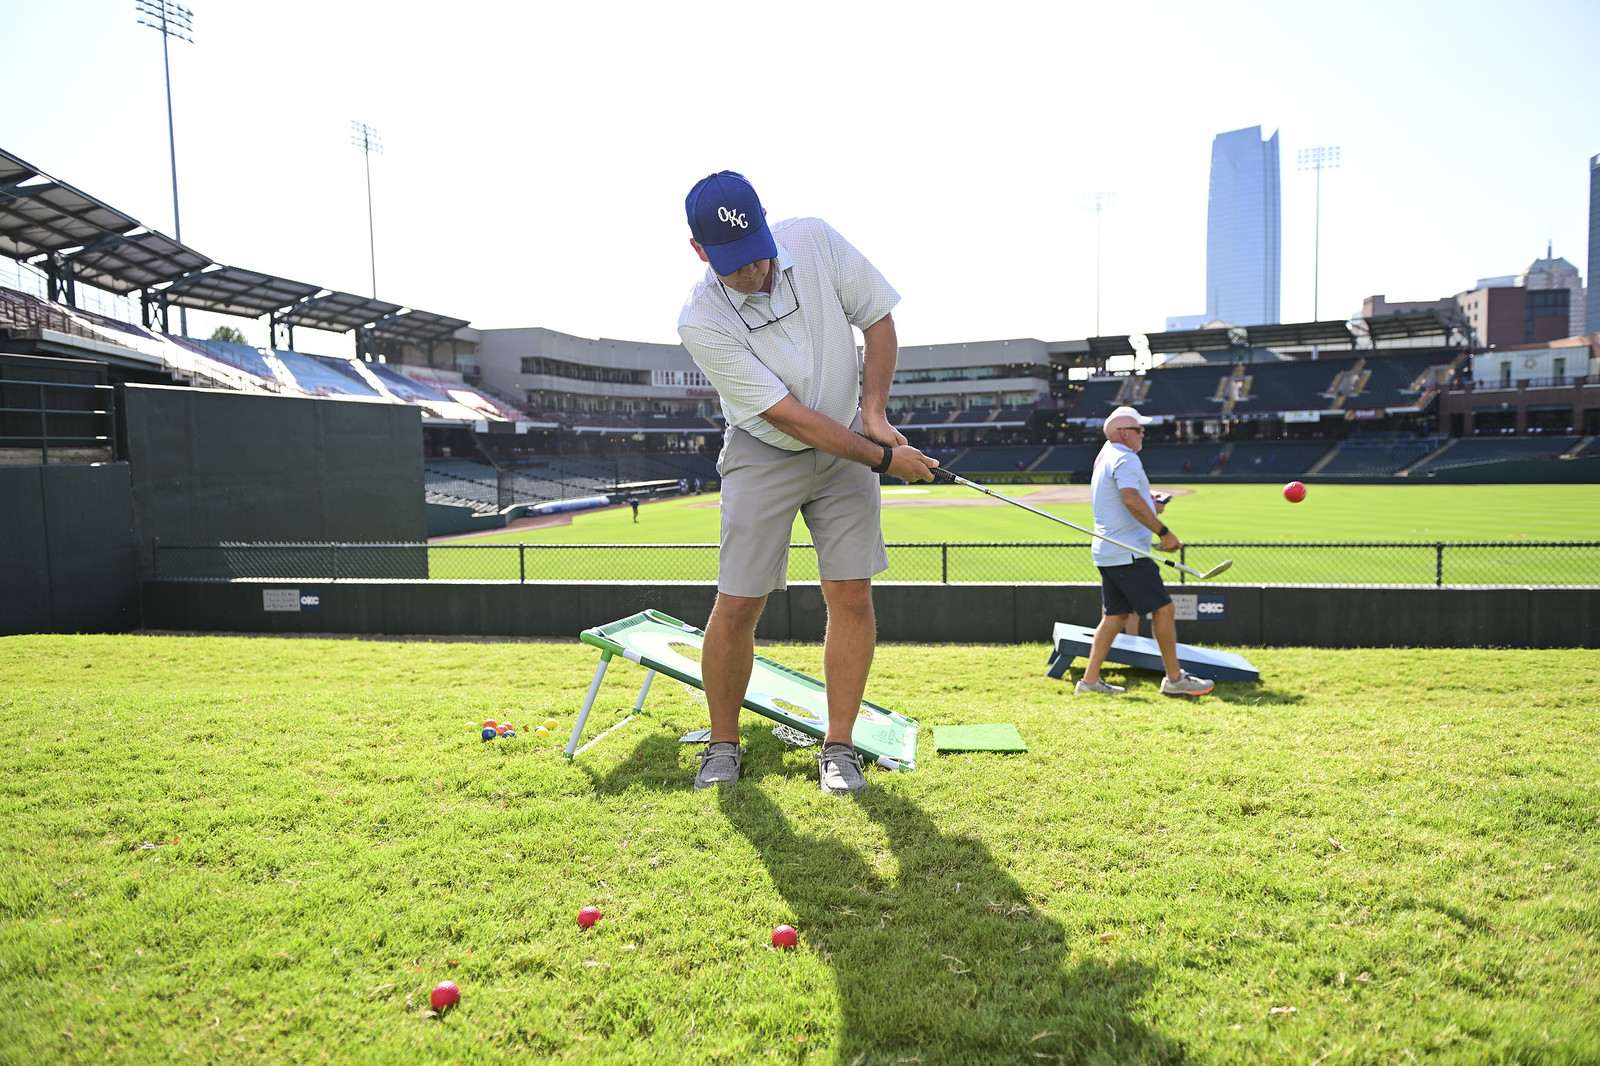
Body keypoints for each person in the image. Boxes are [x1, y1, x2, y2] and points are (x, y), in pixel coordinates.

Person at [676, 171, 938, 793]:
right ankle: (722, 745)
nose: (755, 273)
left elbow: (877, 316)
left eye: (759, 254)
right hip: (765, 451)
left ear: (768, 223)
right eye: (734, 265)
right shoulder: (701, 319)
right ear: (700, 252)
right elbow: (788, 418)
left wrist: (874, 414)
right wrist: (881, 459)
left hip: (849, 427)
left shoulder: (814, 241)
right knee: (739, 602)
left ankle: (840, 747)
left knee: (851, 595)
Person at [1076, 406, 1213, 697]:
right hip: (1129, 553)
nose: (1143, 434)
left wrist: (1150, 502)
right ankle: (1175, 679)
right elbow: (1128, 498)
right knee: (1164, 609)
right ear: (1125, 433)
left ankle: (1089, 683)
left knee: (1115, 617)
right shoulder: (1126, 457)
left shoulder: (1105, 457)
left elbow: (1127, 496)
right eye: (1139, 430)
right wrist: (1164, 532)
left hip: (1108, 551)